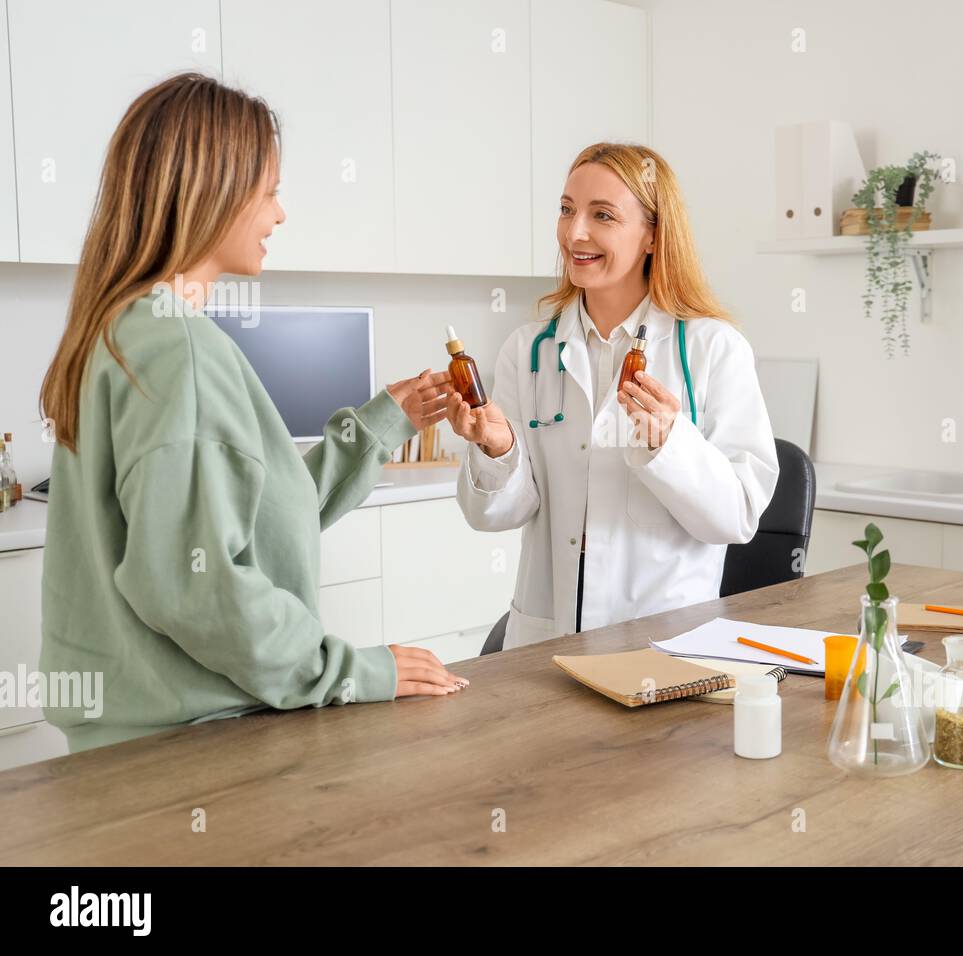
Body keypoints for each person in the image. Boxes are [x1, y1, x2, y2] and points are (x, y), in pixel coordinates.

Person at [38, 73, 466, 752]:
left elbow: (256, 517)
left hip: (125, 746)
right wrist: (346, 670)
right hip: (195, 748)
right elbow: (188, 584)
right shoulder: (179, 346)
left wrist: (384, 423)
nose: (280, 214)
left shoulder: (120, 331)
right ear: (212, 191)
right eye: (269, 190)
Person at [448, 143, 778, 648]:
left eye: (602, 215)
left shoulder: (714, 349)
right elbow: (498, 514)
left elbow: (736, 518)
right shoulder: (528, 350)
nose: (574, 232)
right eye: (566, 210)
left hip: (666, 644)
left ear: (652, 235)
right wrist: (499, 450)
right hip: (545, 642)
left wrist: (668, 442)